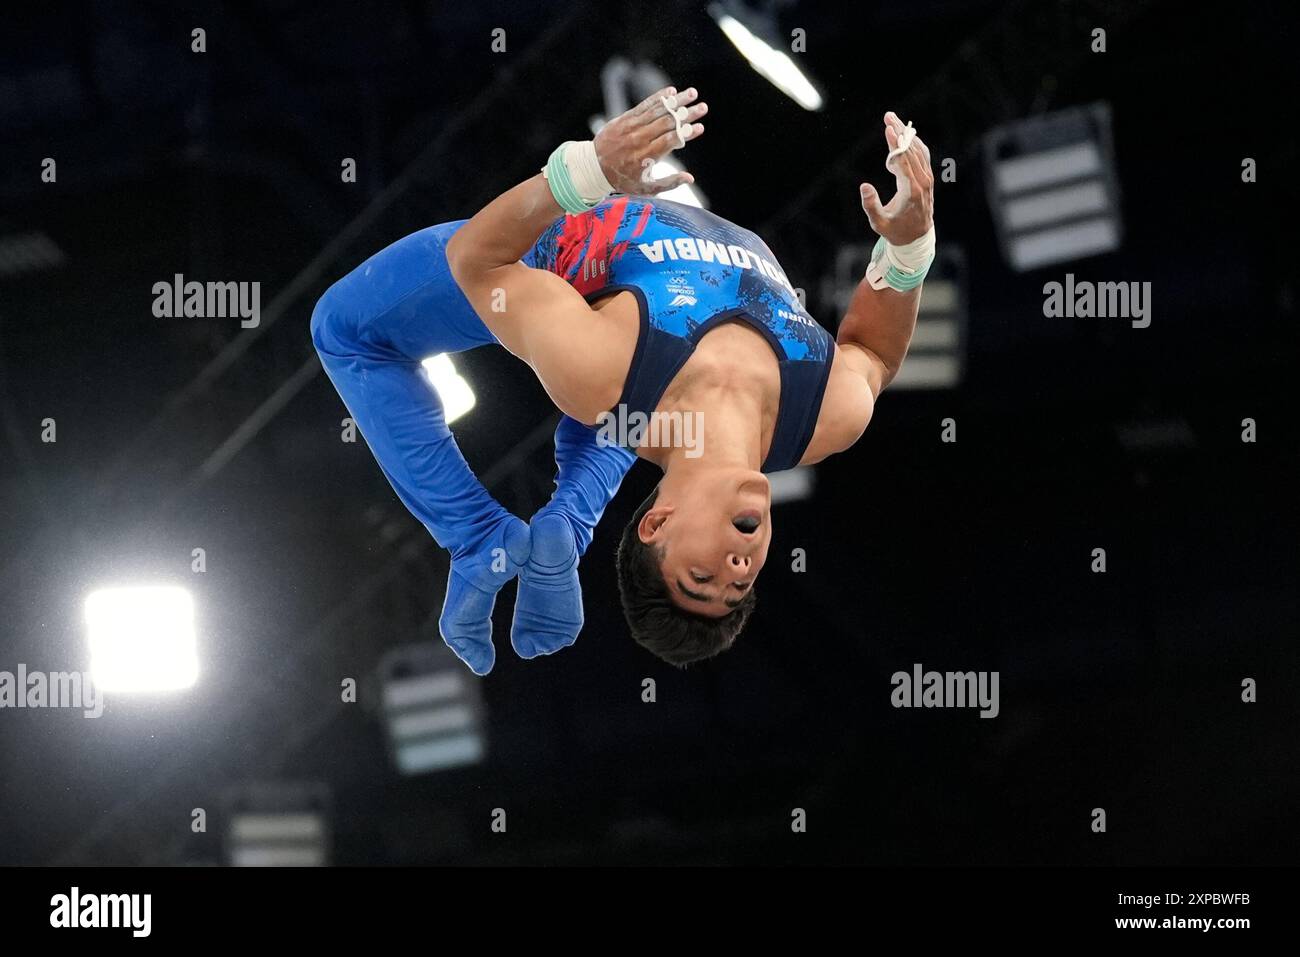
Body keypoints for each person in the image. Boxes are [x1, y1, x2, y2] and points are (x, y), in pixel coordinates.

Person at [311, 85, 934, 672]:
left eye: (704, 578)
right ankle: (568, 523)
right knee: (634, 415)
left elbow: (476, 259)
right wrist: (907, 251)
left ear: (656, 524)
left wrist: (585, 174)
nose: (737, 564)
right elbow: (873, 354)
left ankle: (476, 536)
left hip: (547, 250)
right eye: (741, 582)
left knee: (343, 331)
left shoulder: (598, 367)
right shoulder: (827, 415)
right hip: (640, 374)